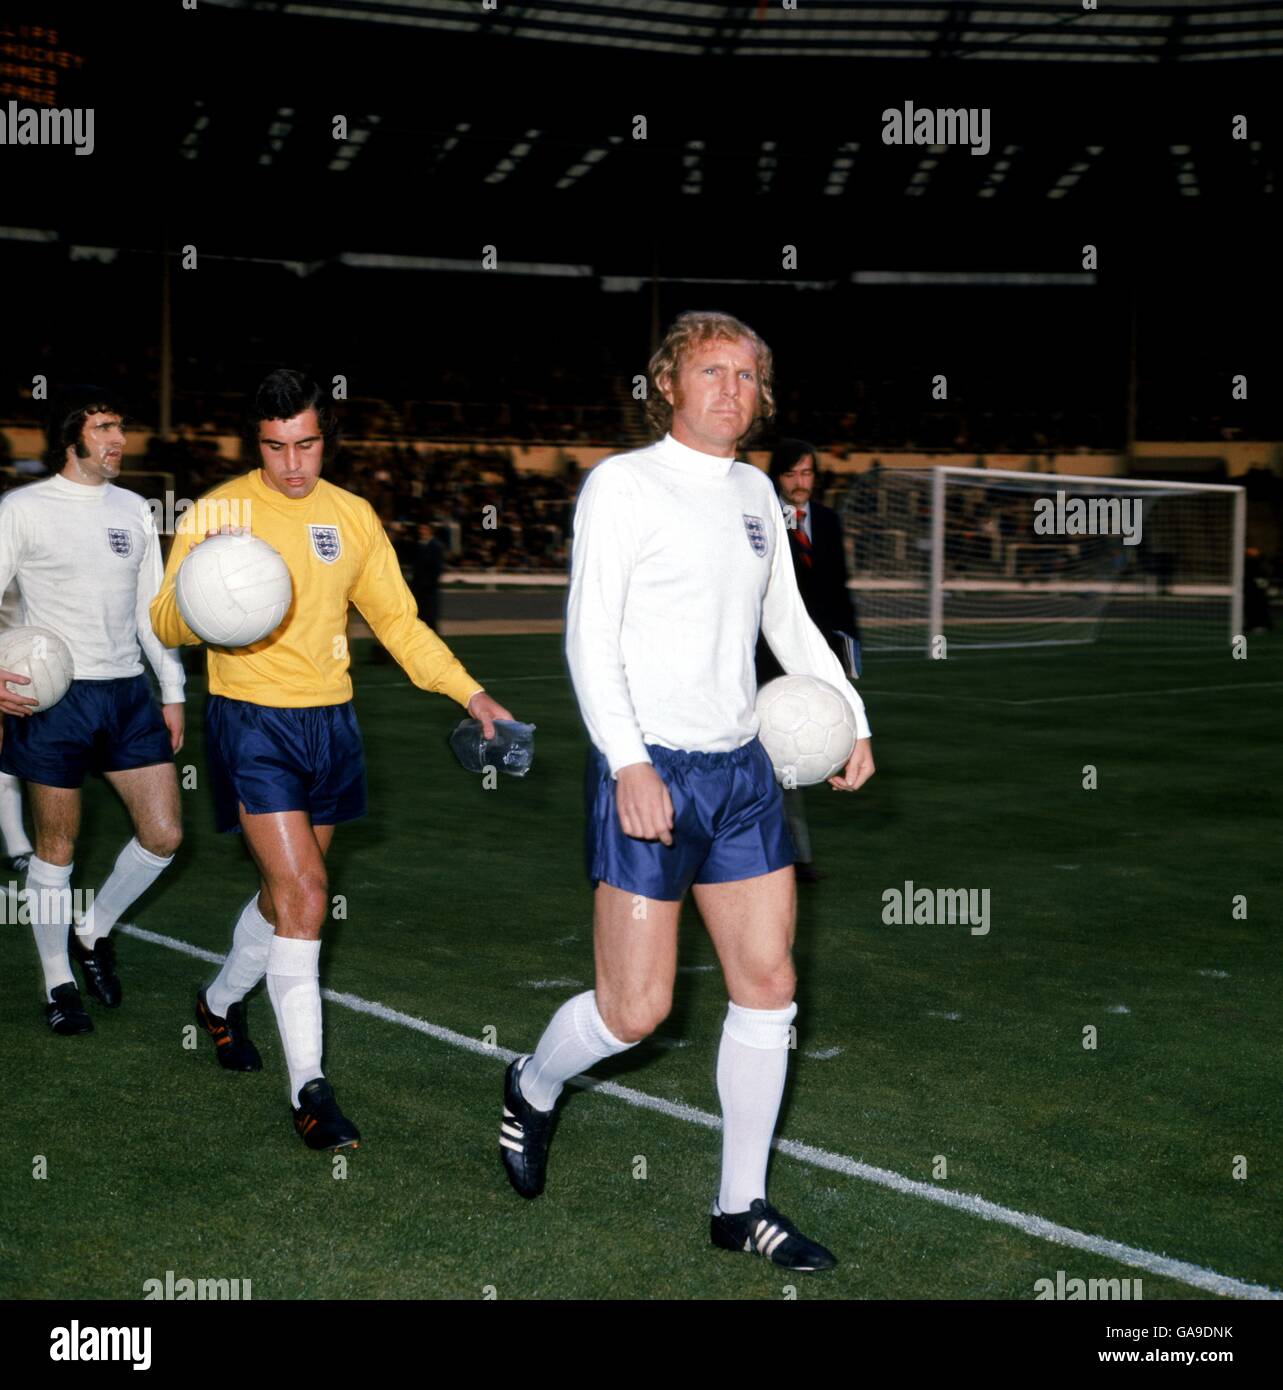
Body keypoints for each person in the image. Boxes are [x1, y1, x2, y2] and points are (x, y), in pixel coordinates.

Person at [499, 312, 875, 1270]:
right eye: (711, 370)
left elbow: (786, 620)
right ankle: (533, 1085)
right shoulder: (622, 485)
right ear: (667, 383)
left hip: (743, 772)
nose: (731, 389)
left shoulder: (755, 490)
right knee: (635, 1012)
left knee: (770, 986)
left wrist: (851, 716)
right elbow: (589, 637)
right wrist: (626, 762)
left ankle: (737, 1206)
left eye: (748, 375)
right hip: (650, 767)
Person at [150, 369, 516, 1152]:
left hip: (331, 726)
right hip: (251, 723)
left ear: (327, 438)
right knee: (307, 894)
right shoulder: (218, 510)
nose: (291, 465)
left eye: (306, 445)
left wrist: (471, 694)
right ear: (258, 443)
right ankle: (311, 1093)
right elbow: (164, 622)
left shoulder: (351, 517)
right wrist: (201, 589)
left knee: (286, 899)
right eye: (276, 447)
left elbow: (399, 624)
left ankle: (217, 1004)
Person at [0, 386, 185, 1036]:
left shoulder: (134, 509)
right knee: (56, 848)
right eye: (105, 427)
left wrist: (172, 690)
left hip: (127, 695)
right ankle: (58, 981)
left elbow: (150, 612)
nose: (119, 440)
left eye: (120, 426)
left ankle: (92, 929)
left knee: (164, 835)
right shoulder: (22, 509)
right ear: (71, 436)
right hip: (56, 700)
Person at [755, 438, 863, 884]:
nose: (800, 483)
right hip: (765, 659)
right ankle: (769, 853)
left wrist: (849, 656)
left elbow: (839, 593)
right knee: (768, 755)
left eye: (807, 473)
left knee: (795, 759)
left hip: (816, 661)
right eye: (791, 474)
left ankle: (795, 855)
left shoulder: (829, 521)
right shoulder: (759, 522)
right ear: (776, 476)